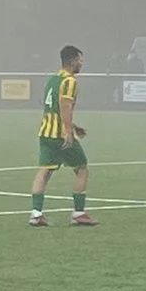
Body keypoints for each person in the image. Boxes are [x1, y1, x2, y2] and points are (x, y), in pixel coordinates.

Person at [30, 44, 95, 226]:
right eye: (80, 60)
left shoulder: (53, 80)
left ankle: (35, 214)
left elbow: (54, 108)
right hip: (60, 135)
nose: (82, 63)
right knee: (82, 168)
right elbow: (64, 106)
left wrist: (73, 126)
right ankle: (79, 213)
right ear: (73, 60)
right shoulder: (69, 81)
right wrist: (68, 131)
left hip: (45, 132)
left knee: (44, 171)